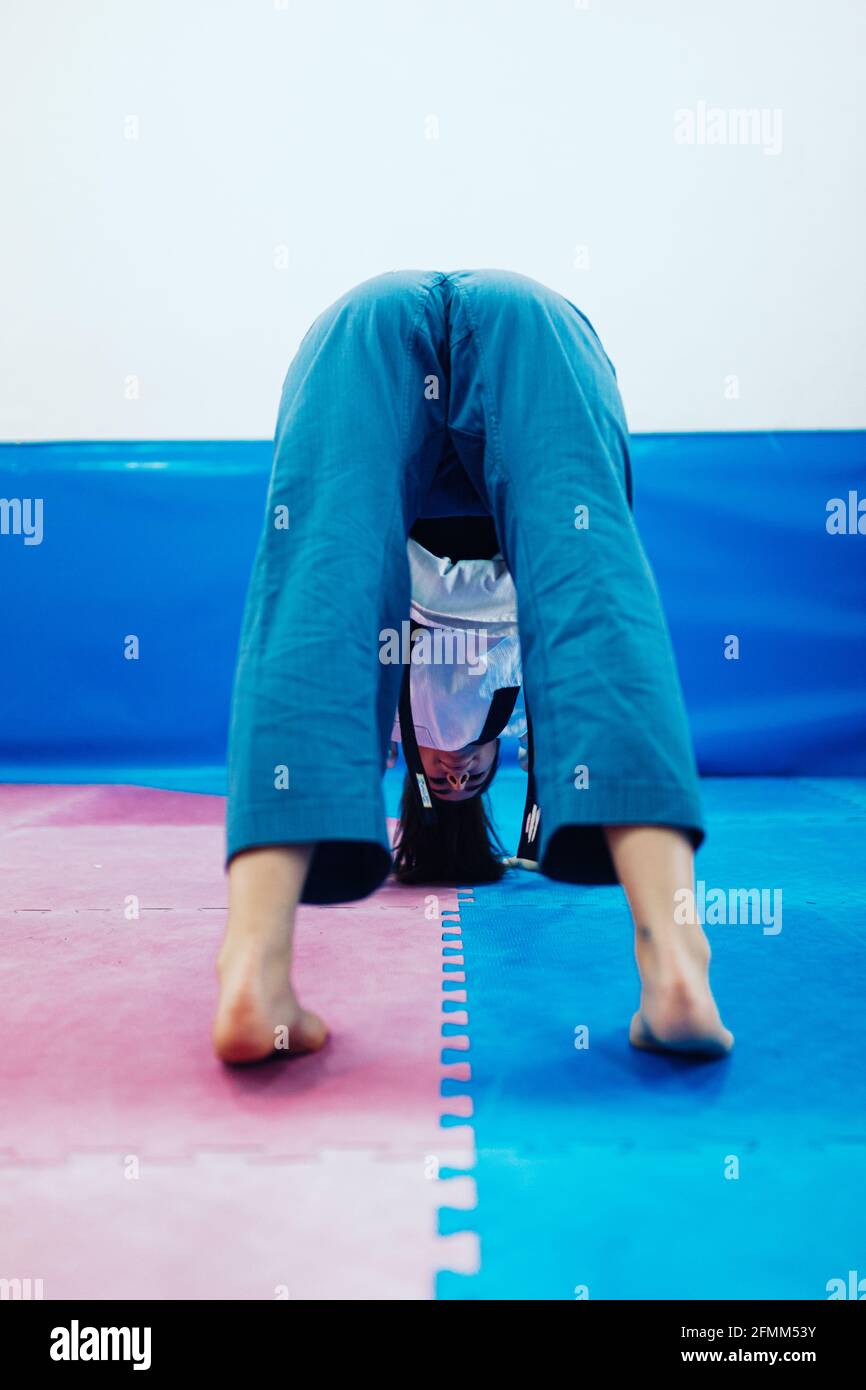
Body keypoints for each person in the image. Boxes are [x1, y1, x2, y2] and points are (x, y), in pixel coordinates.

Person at [214, 269, 733, 1065]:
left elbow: (337, 630)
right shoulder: (475, 712)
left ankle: (253, 967)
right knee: (590, 574)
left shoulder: (446, 714)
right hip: (532, 321)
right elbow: (582, 617)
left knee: (322, 574)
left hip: (362, 325)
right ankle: (677, 964)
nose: (455, 766)